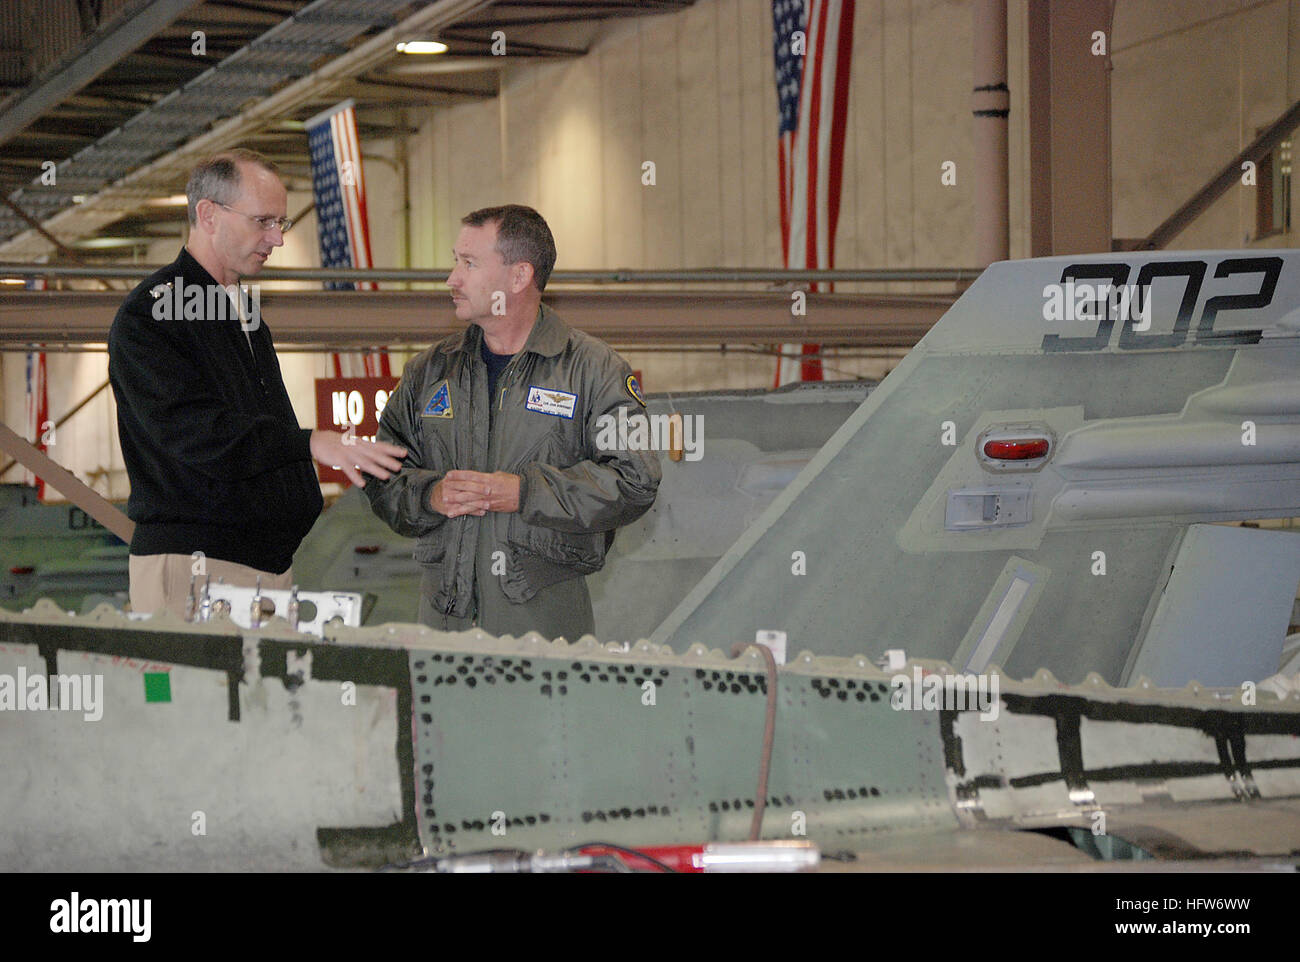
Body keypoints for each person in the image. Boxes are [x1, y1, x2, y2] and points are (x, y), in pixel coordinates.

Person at [109, 147, 406, 618]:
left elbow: (255, 427)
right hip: (198, 567)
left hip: (263, 565)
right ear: (208, 215)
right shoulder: (152, 314)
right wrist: (309, 443)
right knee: (203, 694)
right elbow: (195, 433)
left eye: (280, 224)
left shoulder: (242, 315)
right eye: (263, 221)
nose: (277, 239)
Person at [364, 204, 660, 640]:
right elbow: (381, 474)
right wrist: (431, 494)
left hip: (546, 631)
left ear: (518, 277)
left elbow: (635, 479)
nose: (452, 278)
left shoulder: (594, 371)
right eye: (455, 261)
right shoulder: (428, 373)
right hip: (443, 630)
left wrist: (526, 491)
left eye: (469, 263)